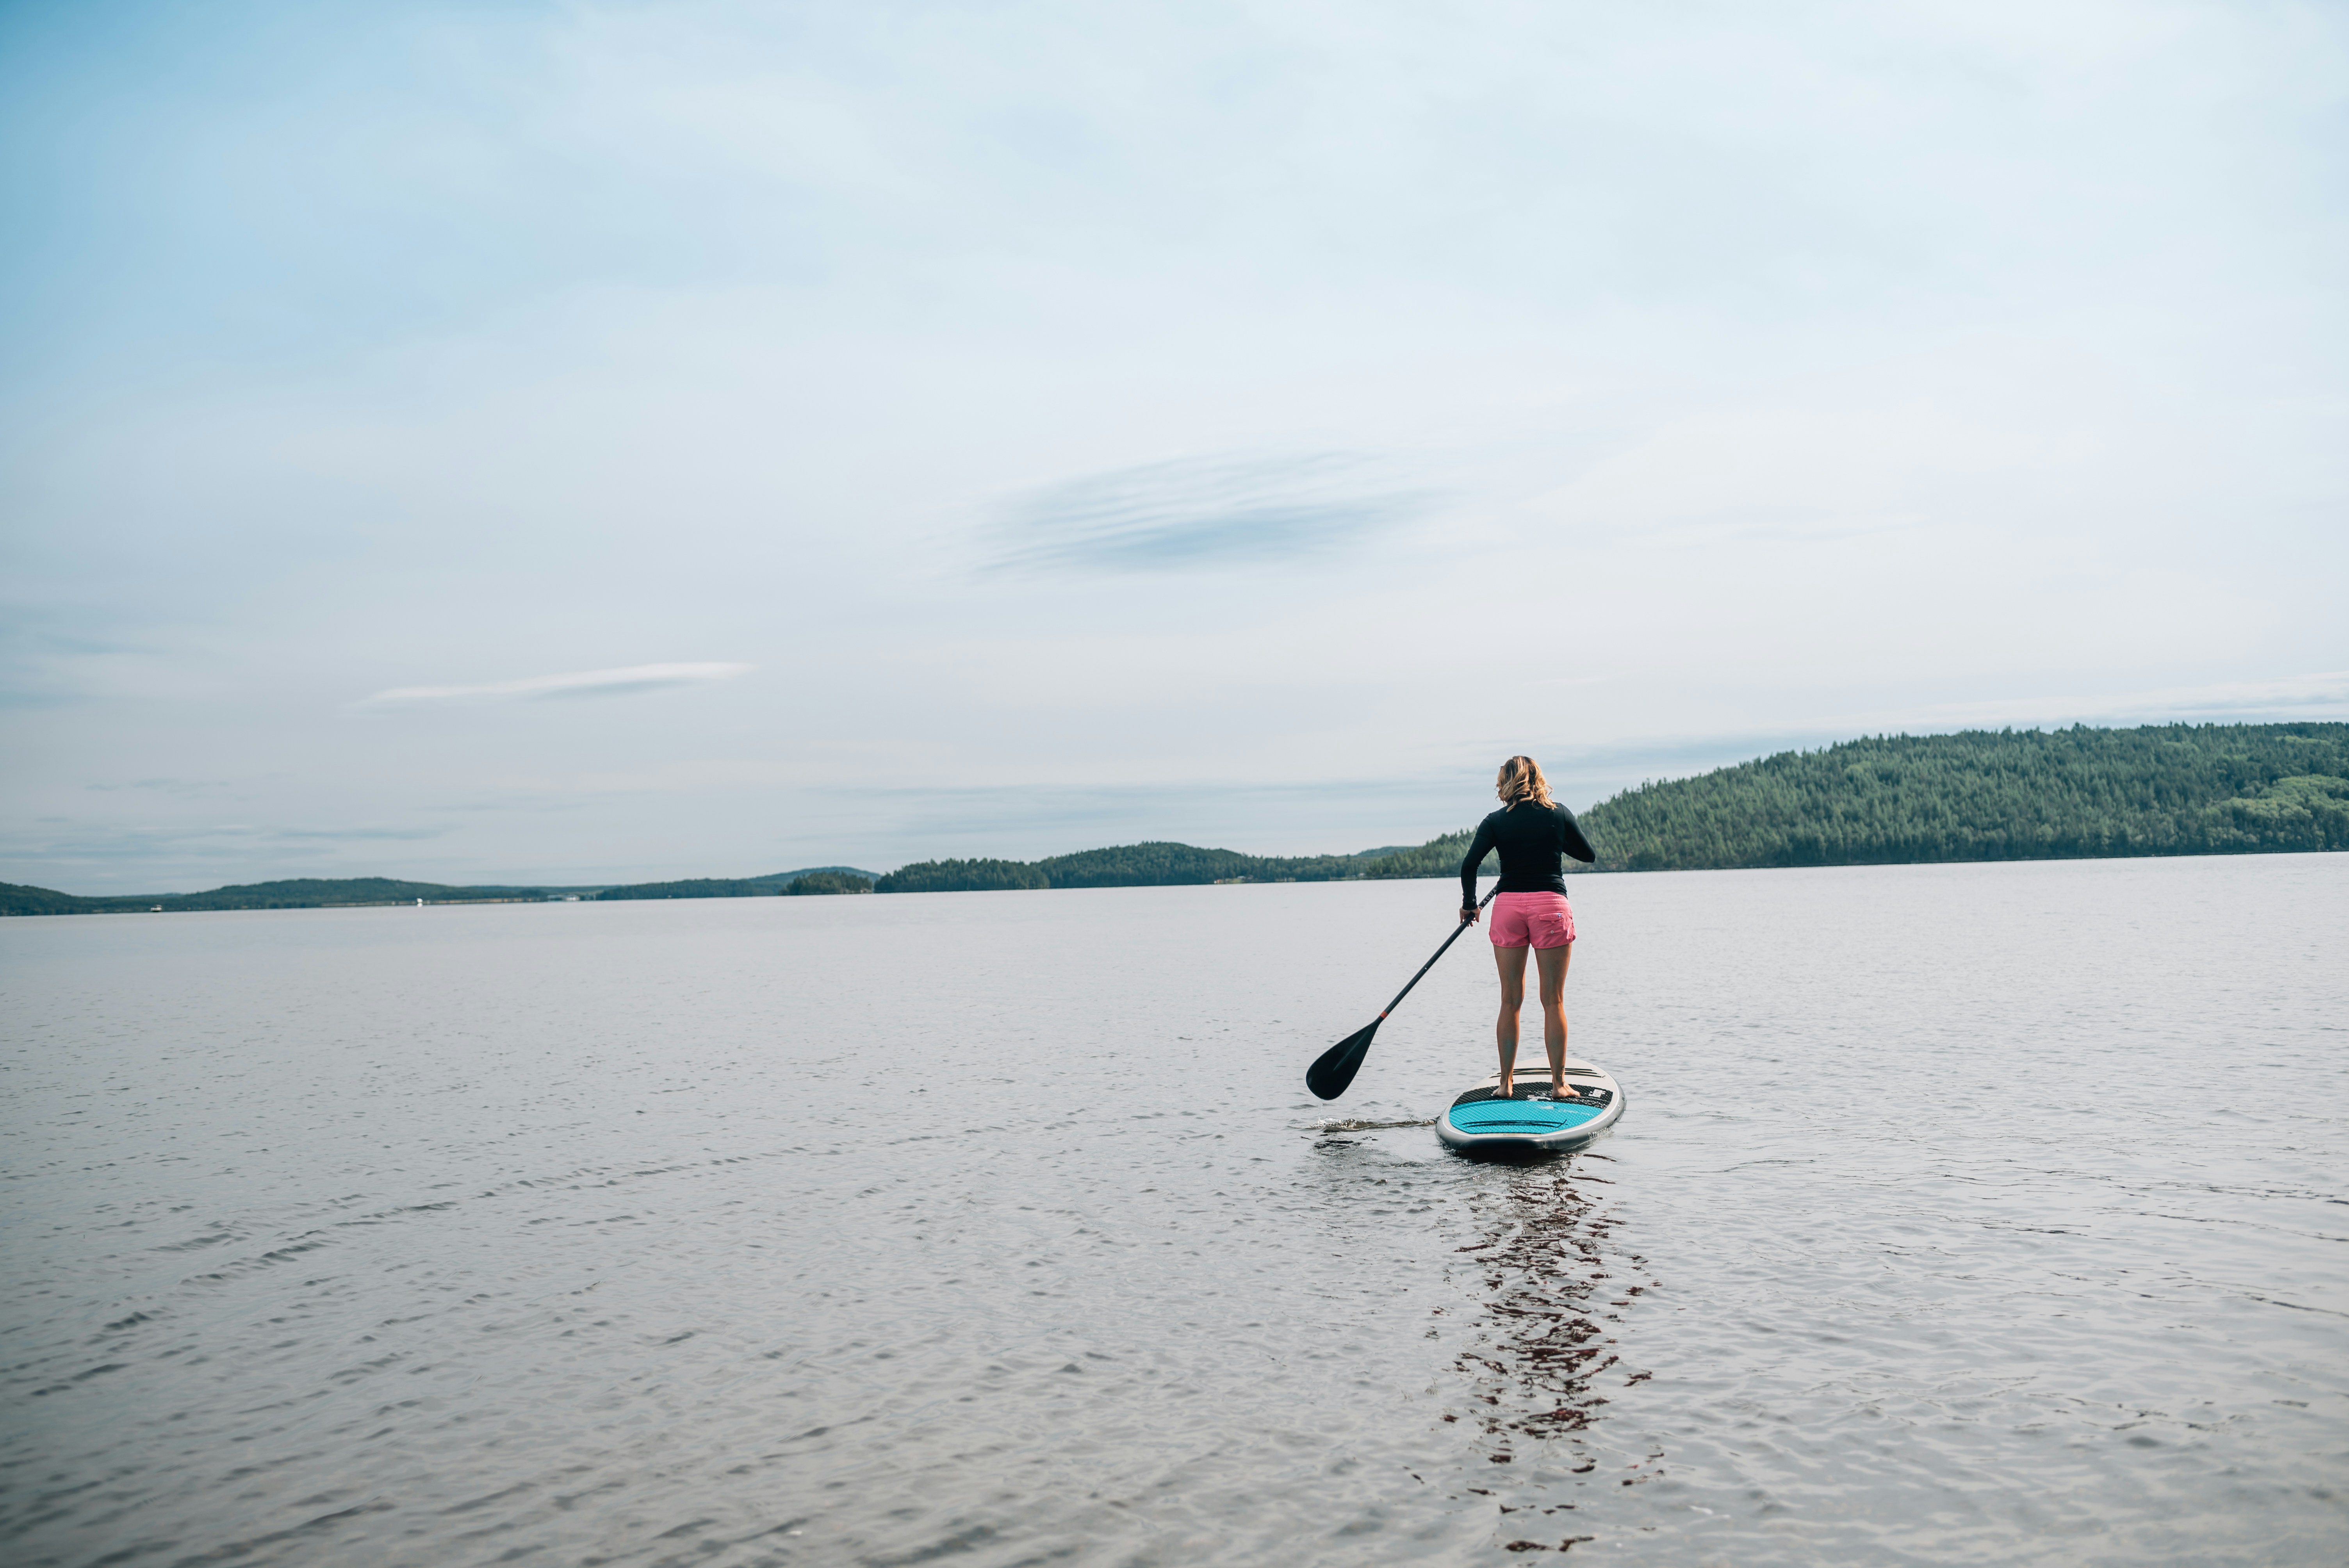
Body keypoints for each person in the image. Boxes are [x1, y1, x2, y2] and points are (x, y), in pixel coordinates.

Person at [1458, 755, 1596, 1099]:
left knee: (1510, 1000)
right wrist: (1553, 838)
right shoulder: (1558, 813)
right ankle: (1560, 1085)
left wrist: (1470, 904)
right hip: (1550, 906)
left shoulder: (1494, 821)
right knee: (1553, 1001)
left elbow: (1469, 865)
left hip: (1507, 909)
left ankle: (1505, 1084)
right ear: (1538, 778)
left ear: (1505, 782)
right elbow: (1588, 854)